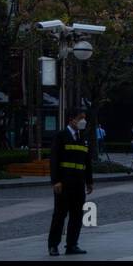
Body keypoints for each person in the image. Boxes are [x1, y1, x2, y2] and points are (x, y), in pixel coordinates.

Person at [48, 109, 94, 256]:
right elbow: (54, 160)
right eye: (80, 118)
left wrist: (89, 181)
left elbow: (87, 161)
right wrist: (56, 181)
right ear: (71, 120)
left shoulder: (84, 138)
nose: (83, 122)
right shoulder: (60, 136)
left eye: (84, 118)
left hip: (79, 183)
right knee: (60, 215)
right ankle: (53, 245)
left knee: (77, 215)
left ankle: (72, 245)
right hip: (64, 183)